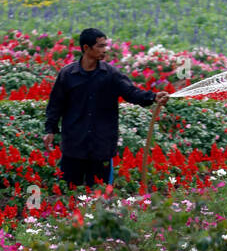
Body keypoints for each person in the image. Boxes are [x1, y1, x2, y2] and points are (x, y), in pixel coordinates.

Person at [43, 28, 170, 189]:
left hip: (101, 144)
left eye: (105, 46)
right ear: (86, 48)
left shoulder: (110, 74)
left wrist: (153, 97)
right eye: (100, 46)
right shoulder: (67, 75)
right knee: (69, 192)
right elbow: (56, 104)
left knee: (100, 193)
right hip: (74, 144)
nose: (104, 50)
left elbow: (131, 92)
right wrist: (50, 130)